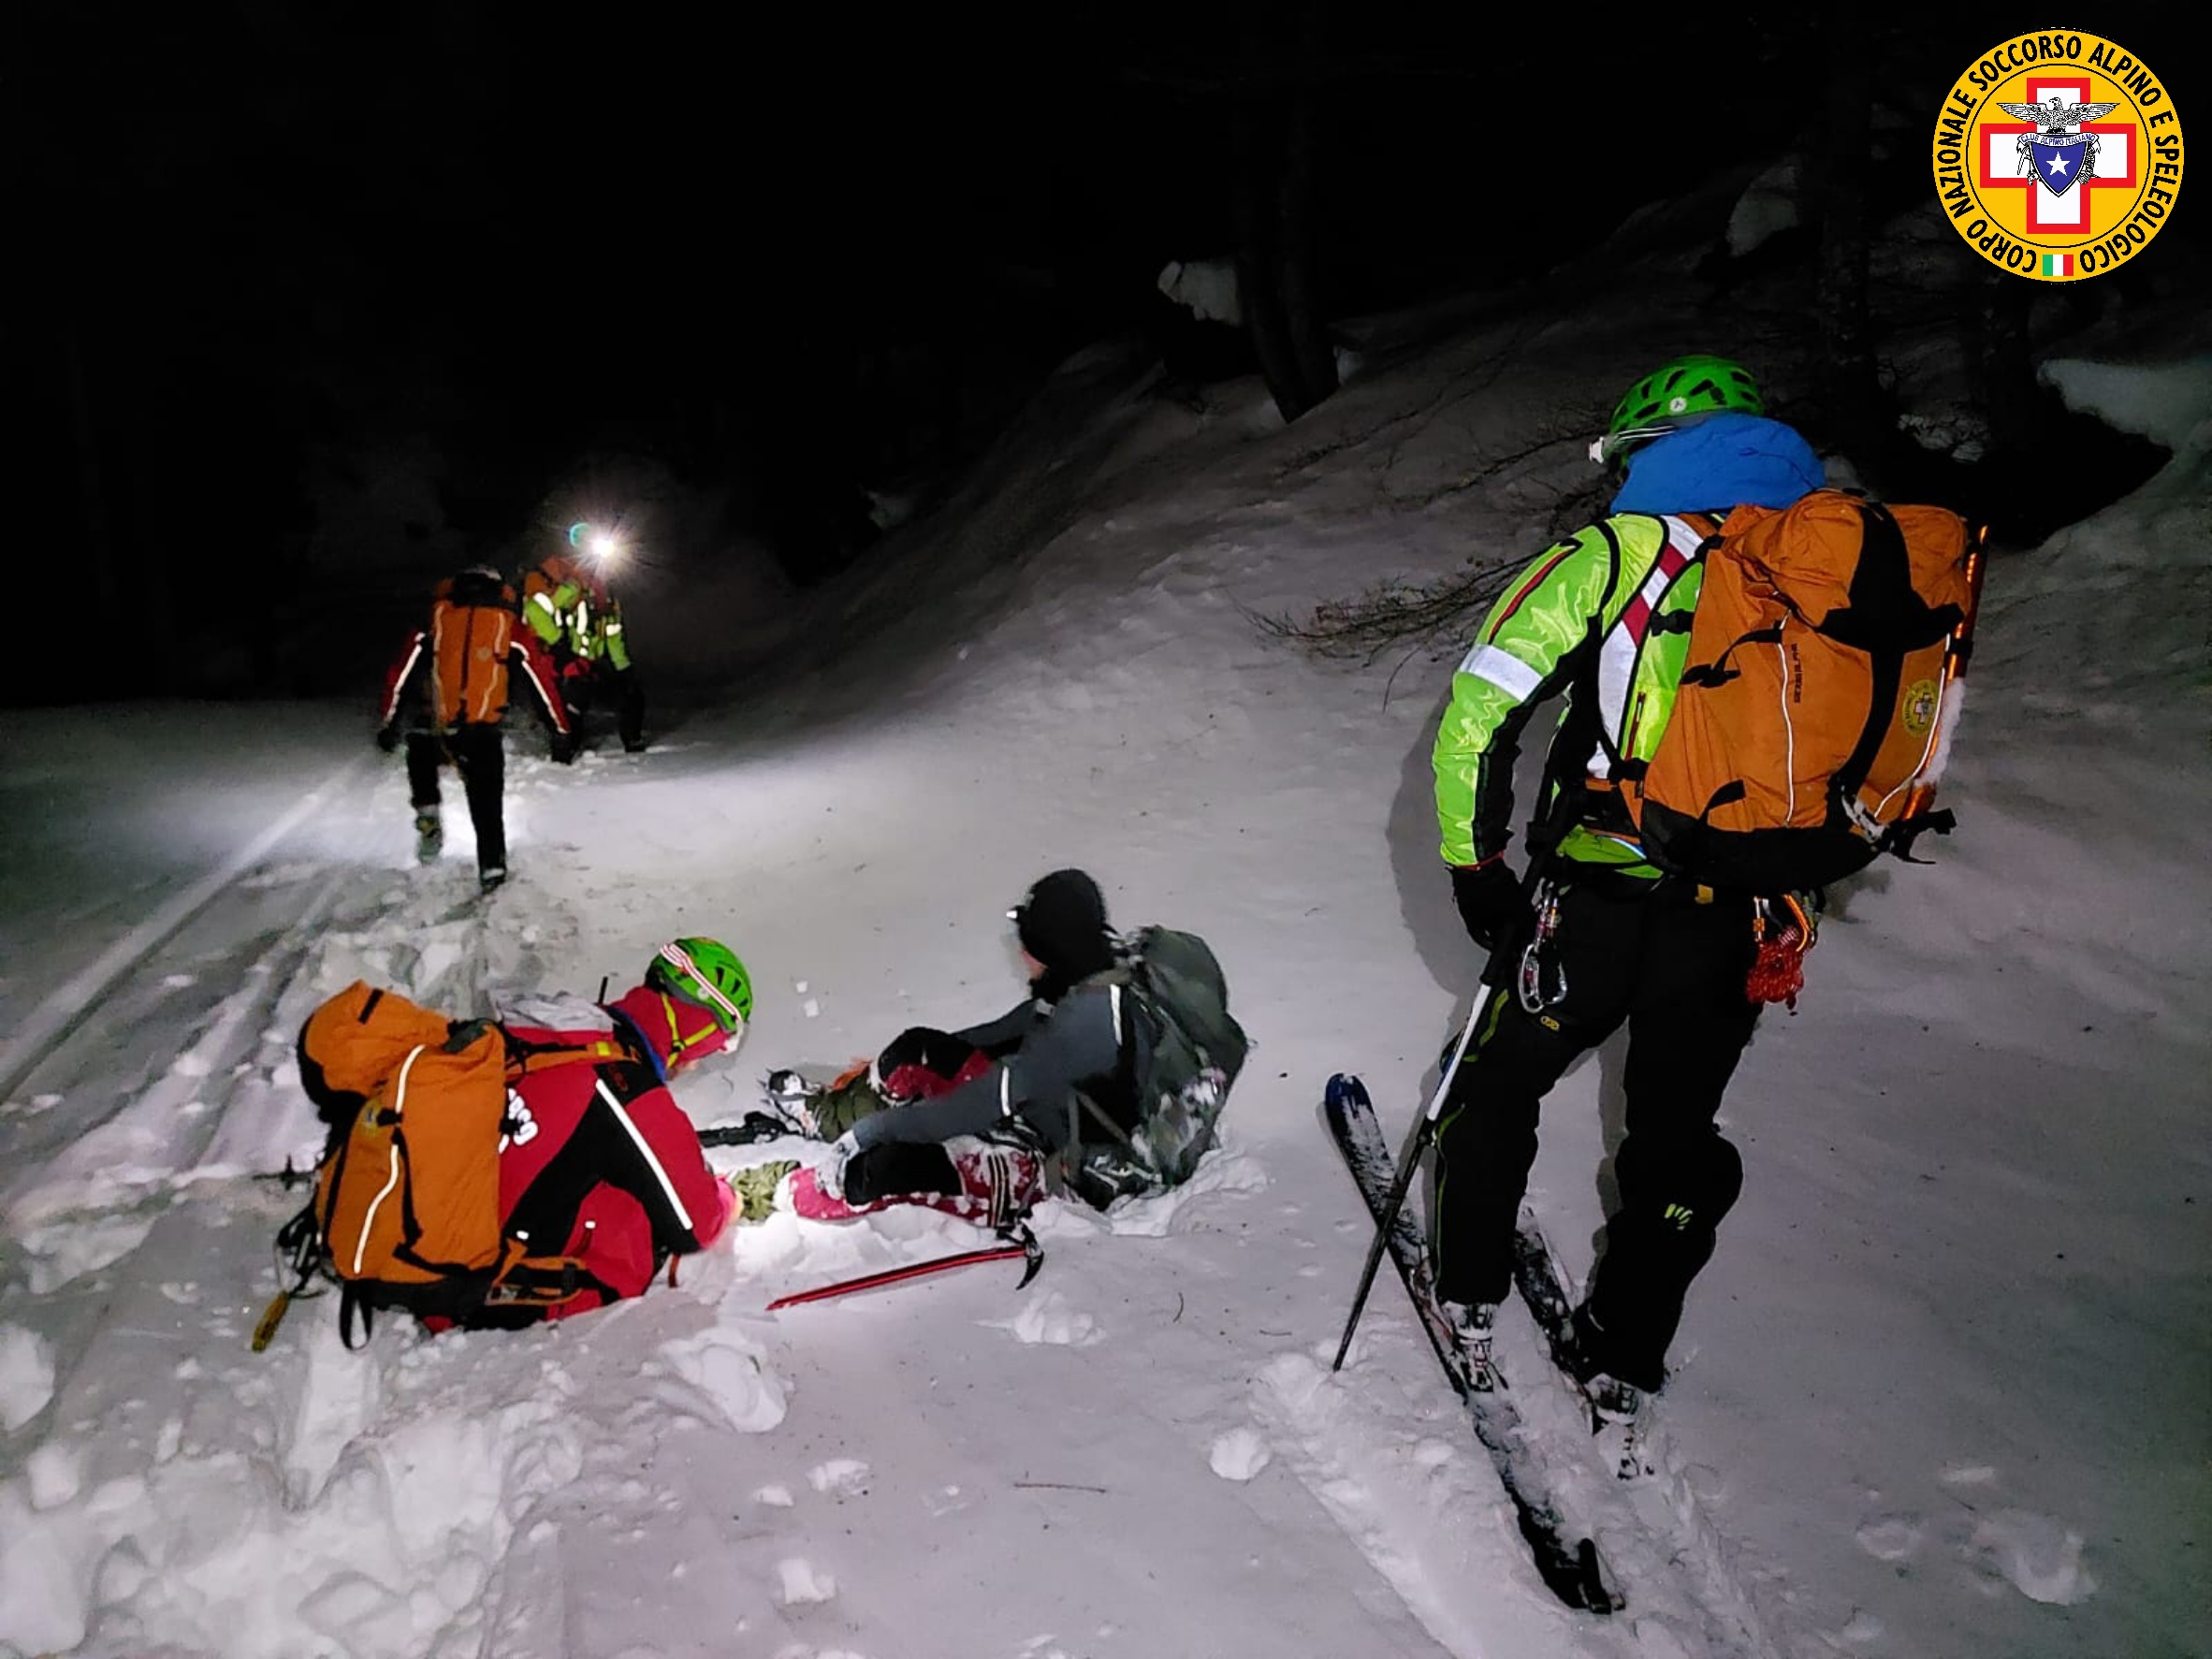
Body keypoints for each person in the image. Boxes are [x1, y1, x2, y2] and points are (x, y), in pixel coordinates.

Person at [1427, 354, 1826, 1426]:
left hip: (1594, 900)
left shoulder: (1612, 555)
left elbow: (1481, 713)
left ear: (1653, 453)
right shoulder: (1825, 558)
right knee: (1675, 1137)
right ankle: (1627, 1344)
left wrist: (1478, 869)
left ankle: (1466, 1292)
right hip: (1738, 915)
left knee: (1498, 1084)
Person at [290, 937, 751, 1336]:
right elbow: (696, 1222)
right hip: (462, 1273)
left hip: (432, 1205)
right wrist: (729, 1198)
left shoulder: (560, 1027)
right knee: (638, 1238)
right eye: (712, 1047)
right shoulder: (627, 1089)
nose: (695, 1065)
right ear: (694, 1031)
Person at [779, 870, 1180, 1227]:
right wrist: (922, 1061)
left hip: (1058, 1169)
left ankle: (784, 1193)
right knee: (917, 1047)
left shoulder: (1083, 1025)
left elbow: (974, 1106)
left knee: (885, 1169)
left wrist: (866, 1136)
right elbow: (1011, 1029)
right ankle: (830, 1117)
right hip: (1042, 1107)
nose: (1022, 955)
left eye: (1031, 948)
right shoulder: (1092, 966)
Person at [377, 562, 574, 893]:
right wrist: (560, 728)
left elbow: (401, 672)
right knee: (486, 800)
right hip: (482, 727)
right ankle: (492, 866)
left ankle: (428, 814)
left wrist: (389, 721)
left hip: (438, 723)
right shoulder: (508, 624)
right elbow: (540, 680)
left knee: (420, 752)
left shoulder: (435, 618)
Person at [521, 531, 645, 753]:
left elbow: (612, 630)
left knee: (632, 696)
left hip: (593, 661)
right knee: (571, 711)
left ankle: (633, 744)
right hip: (571, 660)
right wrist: (559, 645)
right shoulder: (572, 587)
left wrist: (622, 666)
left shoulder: (607, 595)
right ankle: (564, 757)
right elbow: (535, 610)